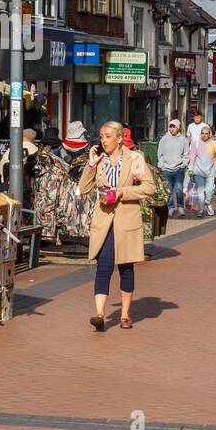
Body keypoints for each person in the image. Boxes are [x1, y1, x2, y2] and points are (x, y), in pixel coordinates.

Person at [79, 120, 156, 331]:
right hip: (103, 220)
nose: (103, 140)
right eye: (101, 136)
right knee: (103, 266)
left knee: (126, 267)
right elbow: (84, 188)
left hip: (126, 219)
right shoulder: (100, 160)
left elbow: (149, 187)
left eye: (107, 136)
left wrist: (123, 193)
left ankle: (125, 314)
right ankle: (100, 314)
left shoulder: (134, 159)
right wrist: (91, 164)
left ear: (120, 138)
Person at [157, 118, 190, 216]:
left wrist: (183, 164)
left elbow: (186, 153)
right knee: (169, 189)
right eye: (170, 127)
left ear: (178, 128)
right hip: (166, 169)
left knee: (179, 188)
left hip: (178, 169)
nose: (172, 129)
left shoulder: (183, 139)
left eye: (174, 127)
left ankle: (180, 207)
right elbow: (160, 153)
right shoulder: (164, 139)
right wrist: (161, 165)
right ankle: (170, 207)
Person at [187, 124, 216, 218]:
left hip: (210, 171)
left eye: (206, 133)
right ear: (200, 134)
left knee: (209, 191)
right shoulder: (196, 143)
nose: (204, 135)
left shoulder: (214, 144)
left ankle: (208, 203)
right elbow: (192, 157)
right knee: (200, 192)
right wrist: (190, 170)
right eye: (203, 133)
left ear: (210, 134)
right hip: (198, 171)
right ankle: (200, 210)